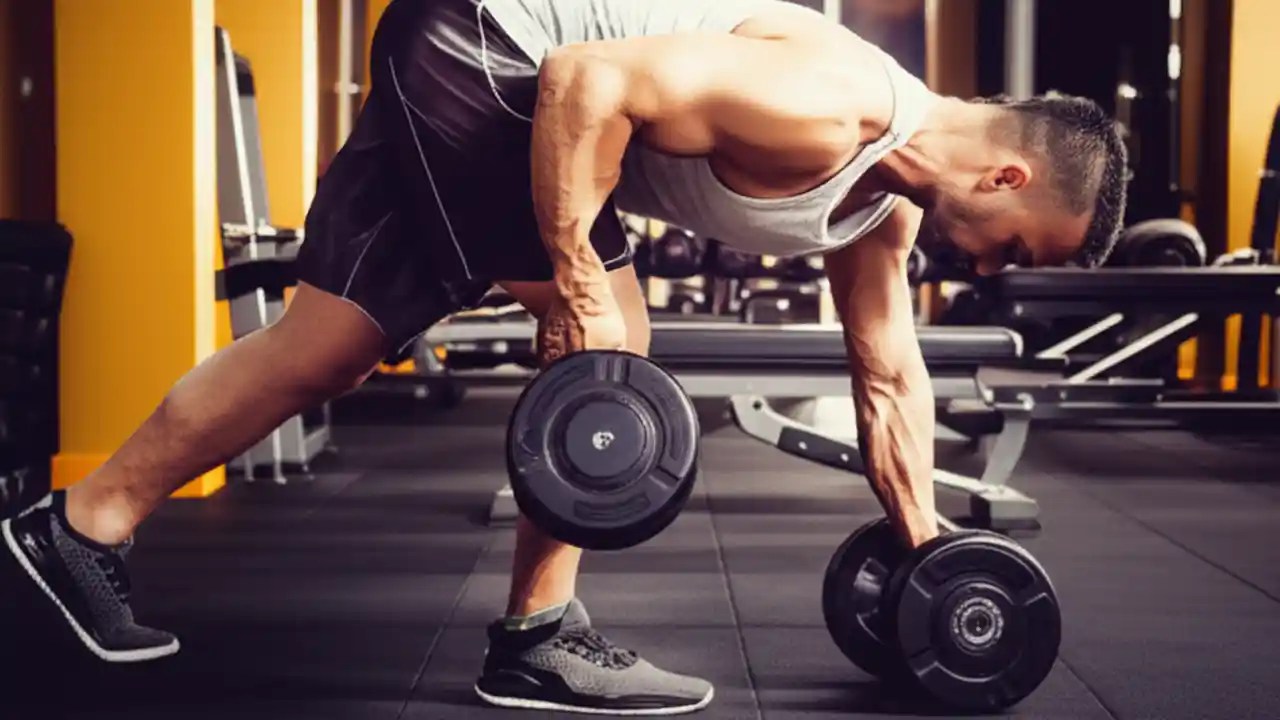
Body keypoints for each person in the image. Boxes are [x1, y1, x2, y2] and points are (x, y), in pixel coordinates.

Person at [2, 0, 1128, 714]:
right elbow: (583, 84)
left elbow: (885, 374)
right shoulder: (831, 107)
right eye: (1012, 248)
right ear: (1006, 179)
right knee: (614, 342)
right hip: (485, 50)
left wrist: (923, 539)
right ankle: (535, 640)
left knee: (325, 348)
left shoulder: (876, 207)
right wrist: (581, 293)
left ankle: (79, 524)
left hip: (470, 67)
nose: (987, 268)